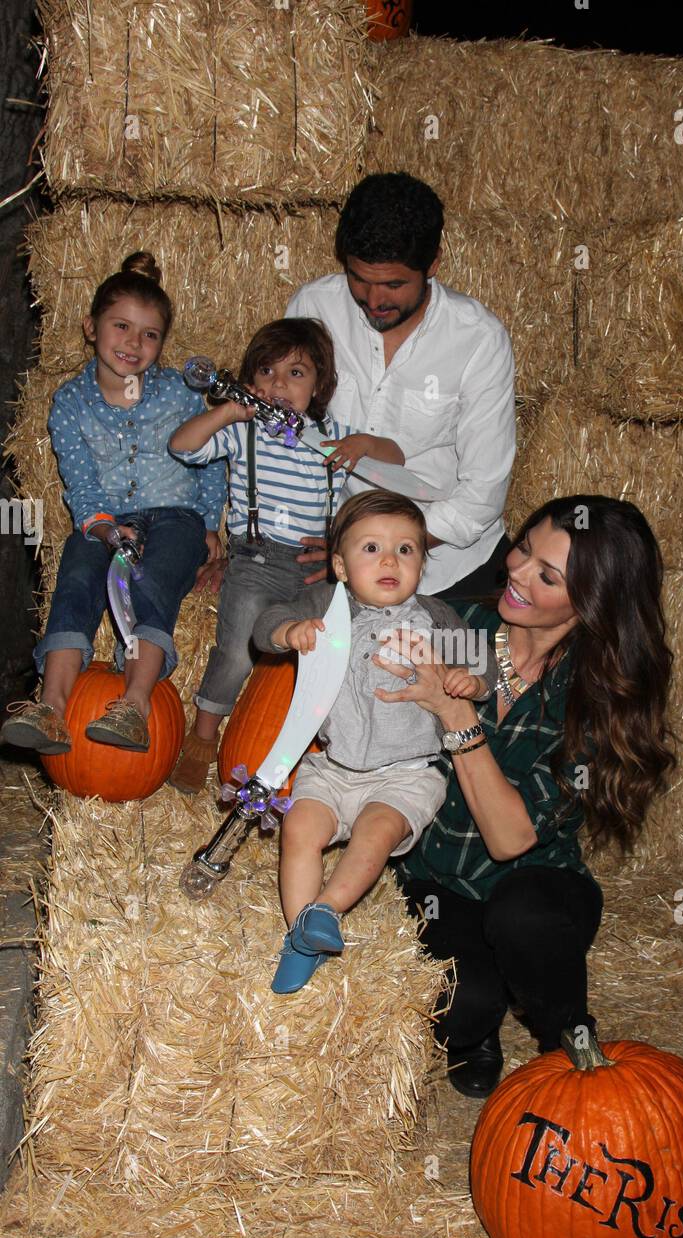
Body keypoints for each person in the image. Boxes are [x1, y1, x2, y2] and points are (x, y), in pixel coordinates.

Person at [376, 495, 676, 1098]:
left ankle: (570, 1039)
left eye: (547, 575)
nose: (515, 572)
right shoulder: (450, 627)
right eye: (523, 548)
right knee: (463, 1009)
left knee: (525, 919)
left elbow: (511, 838)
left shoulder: (598, 700)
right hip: (437, 878)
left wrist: (456, 714)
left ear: (592, 603)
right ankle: (481, 1020)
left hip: (534, 878)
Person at [252, 490, 495, 995]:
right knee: (299, 827)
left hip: (406, 773)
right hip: (333, 765)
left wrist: (470, 682)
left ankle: (324, 911)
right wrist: (289, 632)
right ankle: (301, 936)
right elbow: (263, 626)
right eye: (371, 549)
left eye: (406, 550)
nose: (390, 560)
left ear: (423, 565)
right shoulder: (326, 605)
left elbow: (484, 666)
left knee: (375, 834)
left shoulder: (438, 619)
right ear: (339, 565)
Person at [166, 317, 405, 794]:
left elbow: (396, 459)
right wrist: (228, 413)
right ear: (250, 381)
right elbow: (182, 445)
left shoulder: (331, 434)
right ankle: (202, 738)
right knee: (236, 651)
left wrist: (365, 444)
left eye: (295, 373)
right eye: (266, 372)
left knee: (330, 653)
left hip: (317, 571)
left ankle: (326, 752)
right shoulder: (244, 431)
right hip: (256, 560)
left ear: (320, 384)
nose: (278, 384)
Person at [0, 251, 224, 755]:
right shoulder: (71, 402)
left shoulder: (180, 395)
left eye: (149, 334)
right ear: (90, 327)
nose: (133, 343)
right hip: (105, 519)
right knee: (78, 576)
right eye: (121, 326)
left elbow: (212, 460)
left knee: (154, 581)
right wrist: (100, 528)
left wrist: (209, 524)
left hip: (175, 518)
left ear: (162, 345)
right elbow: (80, 484)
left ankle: (135, 704)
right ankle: (52, 706)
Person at [285, 172, 516, 602]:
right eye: (359, 279)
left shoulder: (478, 338)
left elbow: (483, 494)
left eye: (393, 285)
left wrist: (385, 549)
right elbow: (284, 435)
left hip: (450, 562)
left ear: (432, 265)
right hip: (337, 558)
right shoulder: (313, 308)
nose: (374, 300)